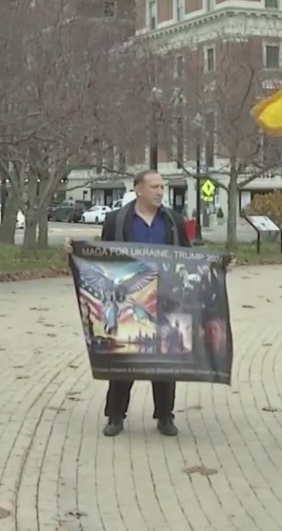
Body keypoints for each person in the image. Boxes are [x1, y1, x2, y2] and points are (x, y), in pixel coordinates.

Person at [66, 169, 191, 438]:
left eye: (162, 187)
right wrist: (76, 251)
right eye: (154, 187)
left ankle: (165, 416)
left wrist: (218, 266)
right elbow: (102, 256)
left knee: (164, 361)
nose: (160, 192)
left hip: (164, 298)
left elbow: (187, 256)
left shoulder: (173, 220)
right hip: (126, 302)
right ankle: (115, 416)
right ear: (138, 189)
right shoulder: (117, 220)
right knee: (123, 359)